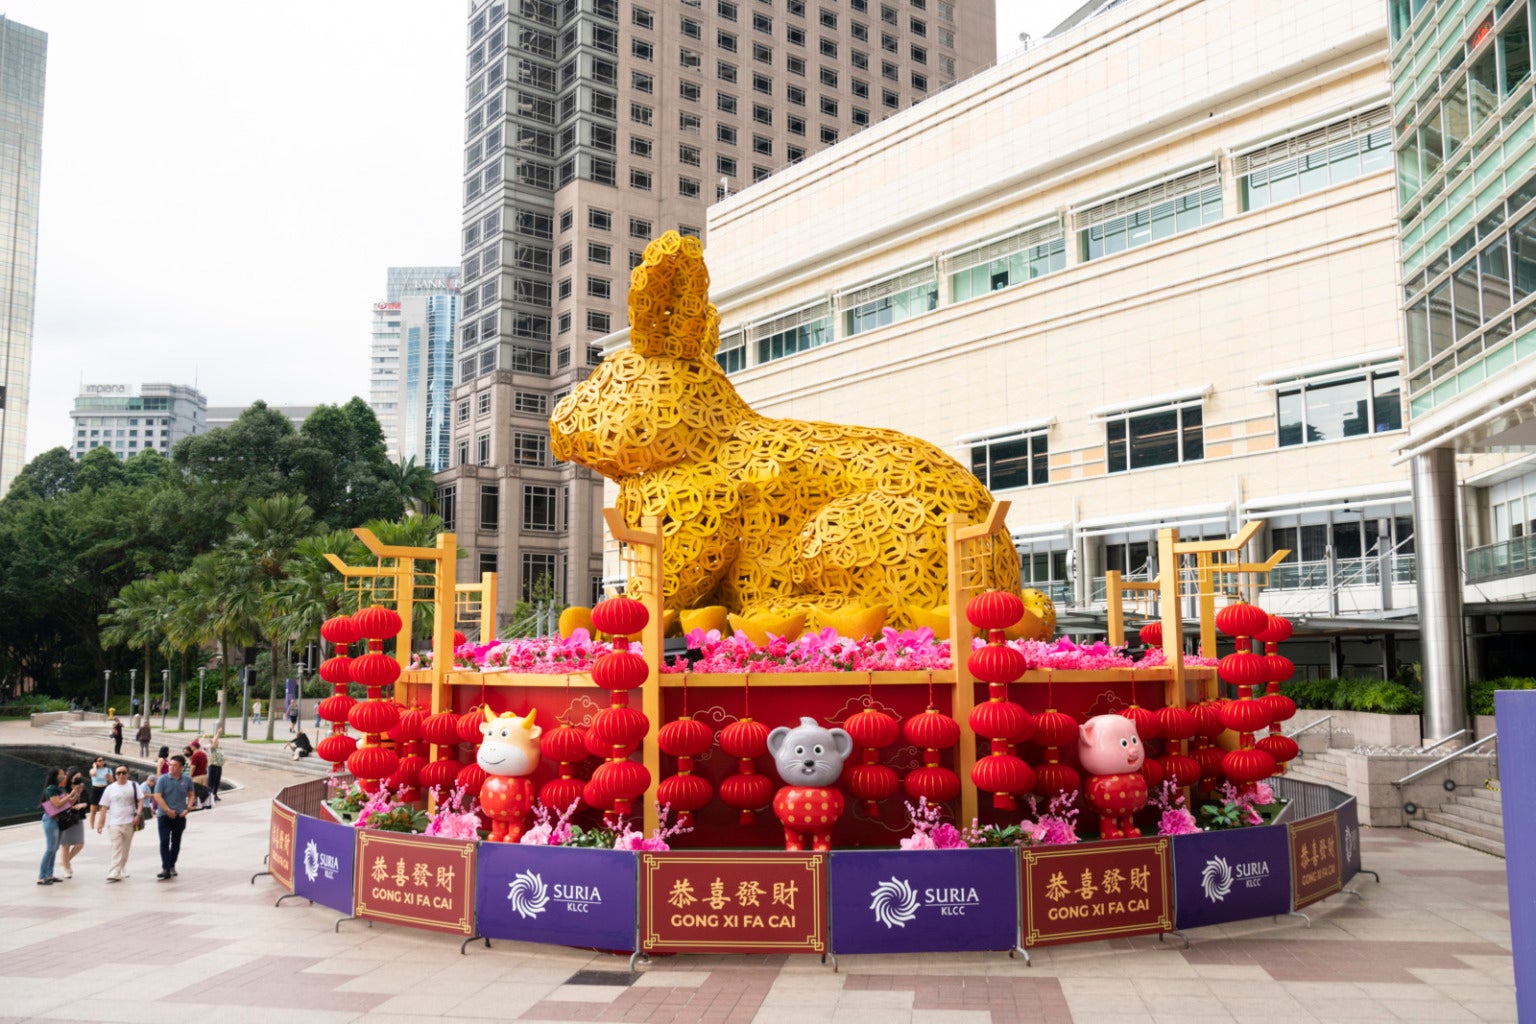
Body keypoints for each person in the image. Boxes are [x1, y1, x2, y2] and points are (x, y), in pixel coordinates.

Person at [151, 754, 195, 880]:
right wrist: (167, 810)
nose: (171, 767)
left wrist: (188, 808)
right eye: (170, 764)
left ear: (181, 767)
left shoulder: (186, 780)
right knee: (164, 841)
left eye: (175, 765)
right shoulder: (163, 779)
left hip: (180, 815)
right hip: (164, 815)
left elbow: (191, 794)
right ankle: (165, 867)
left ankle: (172, 865)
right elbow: (157, 796)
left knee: (176, 842)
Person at [98, 765, 143, 882]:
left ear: (127, 774)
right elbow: (104, 806)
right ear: (115, 775)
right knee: (116, 847)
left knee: (125, 848)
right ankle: (114, 871)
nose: (121, 775)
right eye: (118, 773)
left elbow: (140, 800)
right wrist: (100, 822)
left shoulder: (134, 785)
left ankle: (121, 868)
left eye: (123, 773)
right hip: (114, 823)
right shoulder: (110, 788)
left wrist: (138, 814)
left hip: (129, 822)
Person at [38, 768, 82, 885]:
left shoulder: (59, 788)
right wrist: (70, 795)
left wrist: (76, 793)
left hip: (58, 820)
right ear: (55, 776)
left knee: (55, 848)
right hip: (50, 820)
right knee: (50, 849)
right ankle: (41, 876)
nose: (64, 776)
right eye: (61, 774)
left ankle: (50, 875)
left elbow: (68, 804)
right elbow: (57, 804)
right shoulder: (51, 789)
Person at [58, 770, 88, 879]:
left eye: (80, 777)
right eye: (76, 778)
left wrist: (83, 804)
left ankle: (66, 861)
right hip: (67, 818)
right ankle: (66, 868)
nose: (78, 780)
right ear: (70, 778)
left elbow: (87, 801)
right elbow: (67, 804)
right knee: (65, 844)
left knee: (80, 843)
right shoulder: (64, 789)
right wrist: (75, 793)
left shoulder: (82, 788)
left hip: (78, 818)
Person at [86, 755, 111, 832]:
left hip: (104, 788)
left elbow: (111, 781)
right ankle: (92, 826)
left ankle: (100, 826)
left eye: (102, 760)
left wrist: (108, 777)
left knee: (102, 809)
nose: (102, 762)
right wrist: (94, 767)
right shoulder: (92, 770)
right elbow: (93, 774)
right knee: (93, 810)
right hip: (95, 788)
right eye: (99, 760)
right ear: (96, 762)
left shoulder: (108, 769)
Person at [206, 729, 224, 803]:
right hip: (212, 766)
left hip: (219, 766)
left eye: (217, 742)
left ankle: (215, 794)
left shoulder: (220, 749)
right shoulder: (212, 749)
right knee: (211, 781)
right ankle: (208, 796)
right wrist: (218, 734)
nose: (216, 742)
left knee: (217, 781)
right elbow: (212, 742)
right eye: (215, 742)